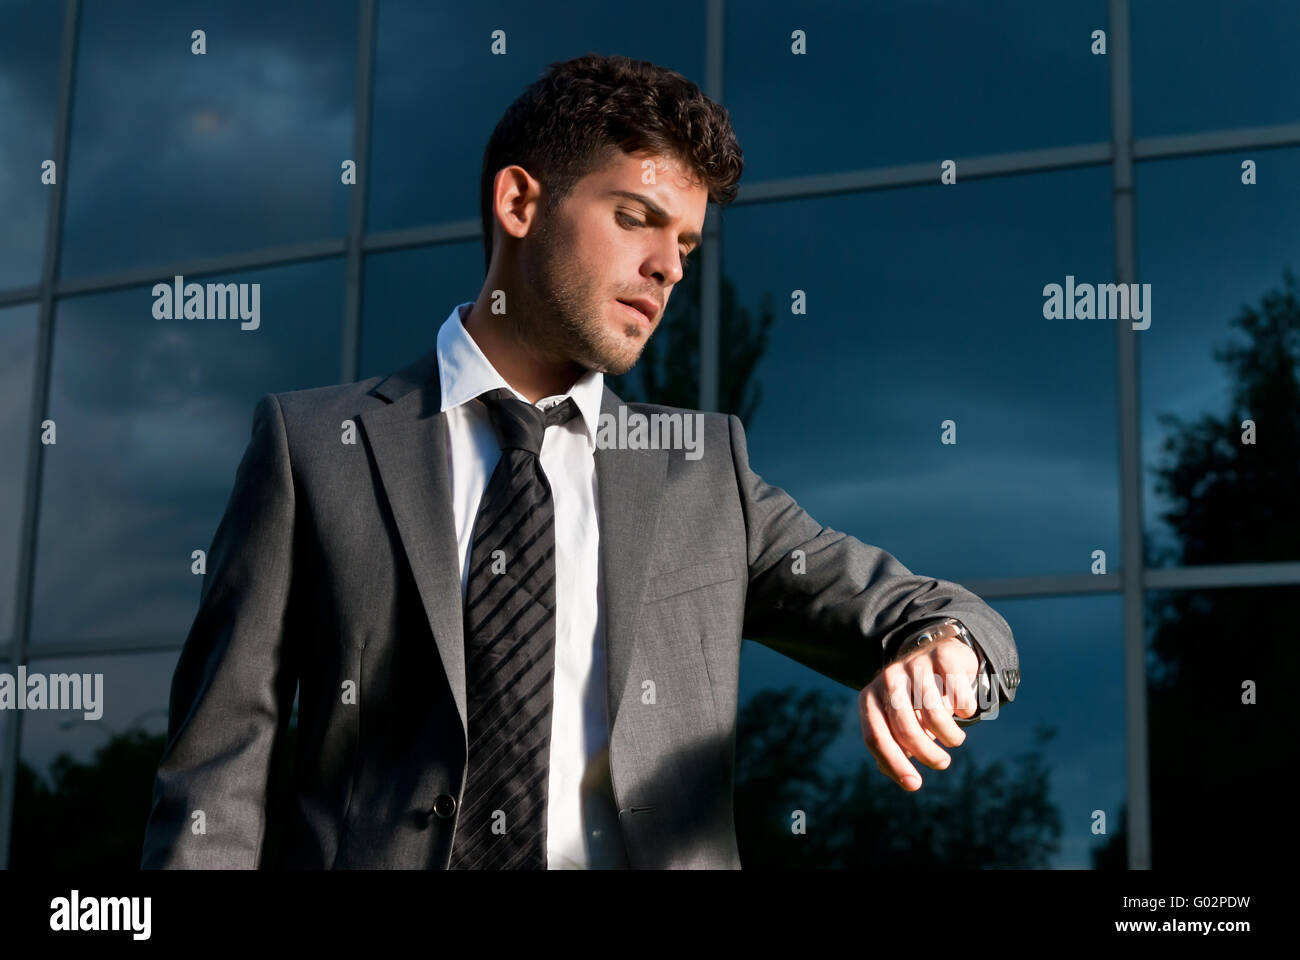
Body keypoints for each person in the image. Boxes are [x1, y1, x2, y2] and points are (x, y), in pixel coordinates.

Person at [141, 53, 1019, 870]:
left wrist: (942, 649)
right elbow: (218, 772)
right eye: (636, 218)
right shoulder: (313, 450)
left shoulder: (701, 474)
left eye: (686, 244)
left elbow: (946, 615)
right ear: (520, 204)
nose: (666, 267)